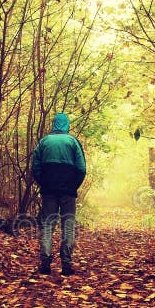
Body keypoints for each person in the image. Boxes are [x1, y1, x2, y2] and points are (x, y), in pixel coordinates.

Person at [31, 112, 87, 275]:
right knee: (68, 225)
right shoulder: (72, 142)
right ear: (67, 125)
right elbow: (82, 169)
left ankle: (45, 263)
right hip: (68, 192)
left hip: (48, 191)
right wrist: (73, 185)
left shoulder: (44, 142)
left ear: (54, 124)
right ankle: (66, 264)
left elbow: (35, 168)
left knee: (48, 225)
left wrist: (44, 183)